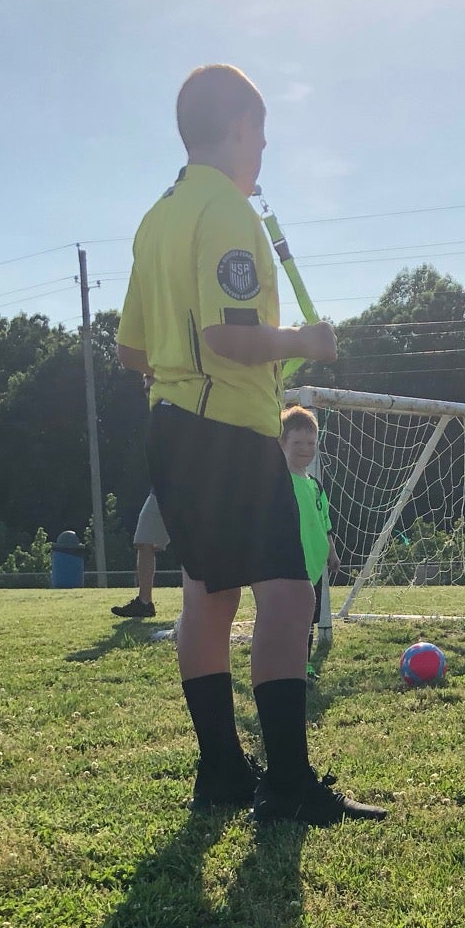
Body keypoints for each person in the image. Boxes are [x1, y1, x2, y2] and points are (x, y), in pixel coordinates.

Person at [115, 63, 386, 823]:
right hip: (228, 430)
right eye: (261, 134)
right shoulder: (227, 213)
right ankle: (290, 784)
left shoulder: (156, 217)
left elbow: (132, 350)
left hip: (169, 424)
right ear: (237, 128)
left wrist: (192, 365)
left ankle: (224, 775)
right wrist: (305, 341)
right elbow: (227, 337)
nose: (264, 150)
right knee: (290, 593)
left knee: (206, 593)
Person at [279, 405, 336, 673]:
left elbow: (325, 522)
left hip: (315, 563)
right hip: (288, 562)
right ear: (282, 443)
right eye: (297, 442)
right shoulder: (278, 480)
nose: (305, 448)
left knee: (308, 618)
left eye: (311, 443)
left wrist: (331, 552)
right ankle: (286, 664)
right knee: (288, 618)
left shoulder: (315, 484)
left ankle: (304, 665)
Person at [111, 490, 169, 619]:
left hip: (188, 484)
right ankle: (144, 602)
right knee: (144, 541)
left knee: (199, 543)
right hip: (164, 488)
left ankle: (211, 602)